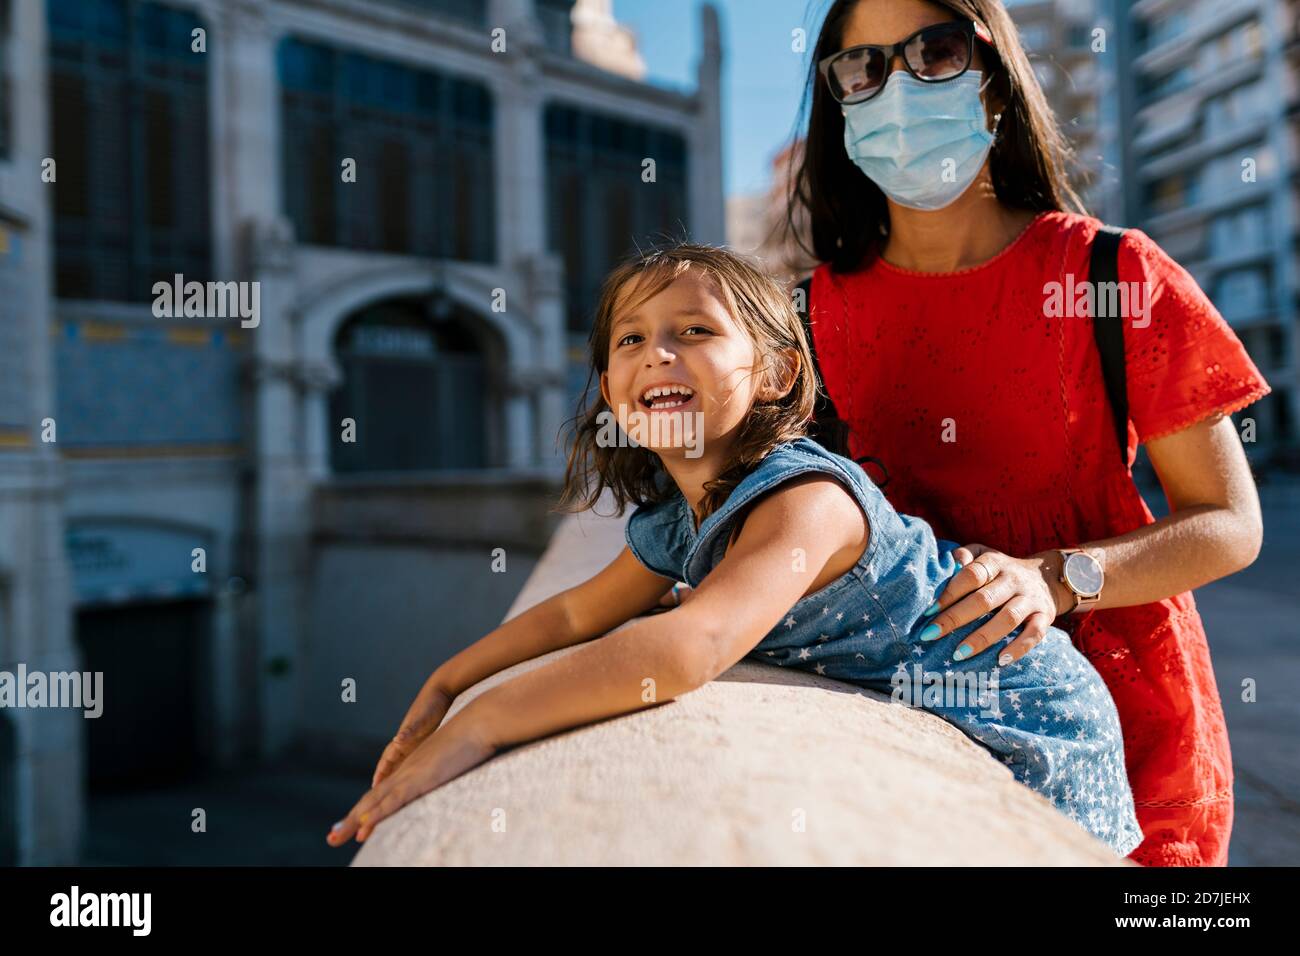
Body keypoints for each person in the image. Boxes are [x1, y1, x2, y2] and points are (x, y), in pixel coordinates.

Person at [326, 243, 1143, 858]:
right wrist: (451, 681)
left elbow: (688, 649)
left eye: (694, 331)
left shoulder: (806, 500)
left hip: (1030, 720)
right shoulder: (677, 521)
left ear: (778, 375)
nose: (656, 353)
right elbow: (580, 610)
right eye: (630, 339)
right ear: (612, 389)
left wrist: (490, 722)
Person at [785, 0, 1269, 865]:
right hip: (901, 717)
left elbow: (1231, 523)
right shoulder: (805, 318)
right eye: (863, 69)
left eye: (934, 52)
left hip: (1134, 729)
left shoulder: (1112, 274)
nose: (897, 88)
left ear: (998, 87)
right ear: (840, 104)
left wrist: (1059, 578)